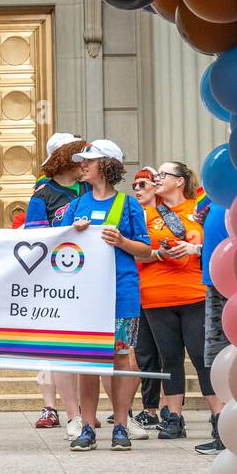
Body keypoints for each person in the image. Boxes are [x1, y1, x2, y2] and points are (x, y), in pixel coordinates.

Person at [66, 140, 153, 451]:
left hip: (121, 292)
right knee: (88, 360)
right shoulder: (76, 207)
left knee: (119, 357)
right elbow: (56, 247)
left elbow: (146, 251)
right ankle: (87, 427)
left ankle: (120, 424)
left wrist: (121, 241)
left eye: (90, 160)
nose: (83, 165)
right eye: (83, 161)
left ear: (107, 165)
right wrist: (71, 234)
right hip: (84, 297)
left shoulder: (128, 205)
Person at [136, 161, 224, 442]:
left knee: (202, 356)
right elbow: (135, 252)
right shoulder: (146, 214)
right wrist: (159, 254)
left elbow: (219, 245)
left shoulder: (201, 210)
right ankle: (173, 417)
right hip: (156, 294)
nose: (156, 179)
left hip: (194, 292)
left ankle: (218, 416)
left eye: (162, 175)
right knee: (169, 358)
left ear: (180, 181)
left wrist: (194, 249)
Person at [24, 133, 86, 435]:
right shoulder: (43, 195)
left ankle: (87, 411)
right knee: (58, 347)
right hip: (57, 280)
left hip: (88, 279)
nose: (85, 163)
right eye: (80, 158)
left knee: (85, 347)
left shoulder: (90, 190)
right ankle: (65, 410)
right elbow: (34, 237)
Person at [194, 191, 230, 456]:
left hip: (236, 279)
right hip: (213, 281)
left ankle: (231, 429)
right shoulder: (210, 199)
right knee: (216, 356)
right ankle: (222, 428)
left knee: (231, 356)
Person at [129, 167, 163, 431]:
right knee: (143, 352)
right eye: (135, 186)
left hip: (162, 289)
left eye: (143, 184)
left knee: (166, 351)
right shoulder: (133, 215)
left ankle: (166, 408)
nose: (138, 189)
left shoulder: (166, 215)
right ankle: (149, 407)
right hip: (137, 289)